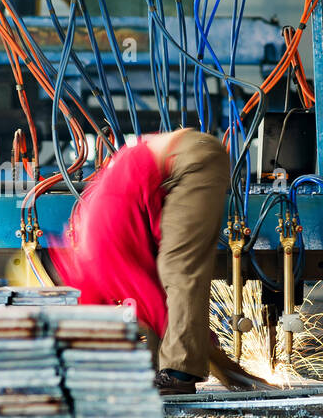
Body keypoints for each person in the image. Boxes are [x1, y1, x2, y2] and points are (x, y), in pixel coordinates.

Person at [50, 127, 268, 395]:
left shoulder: (101, 264)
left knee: (177, 268)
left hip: (191, 161)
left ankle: (180, 372)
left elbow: (155, 305)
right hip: (177, 160)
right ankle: (168, 367)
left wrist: (212, 355)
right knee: (166, 279)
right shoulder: (91, 256)